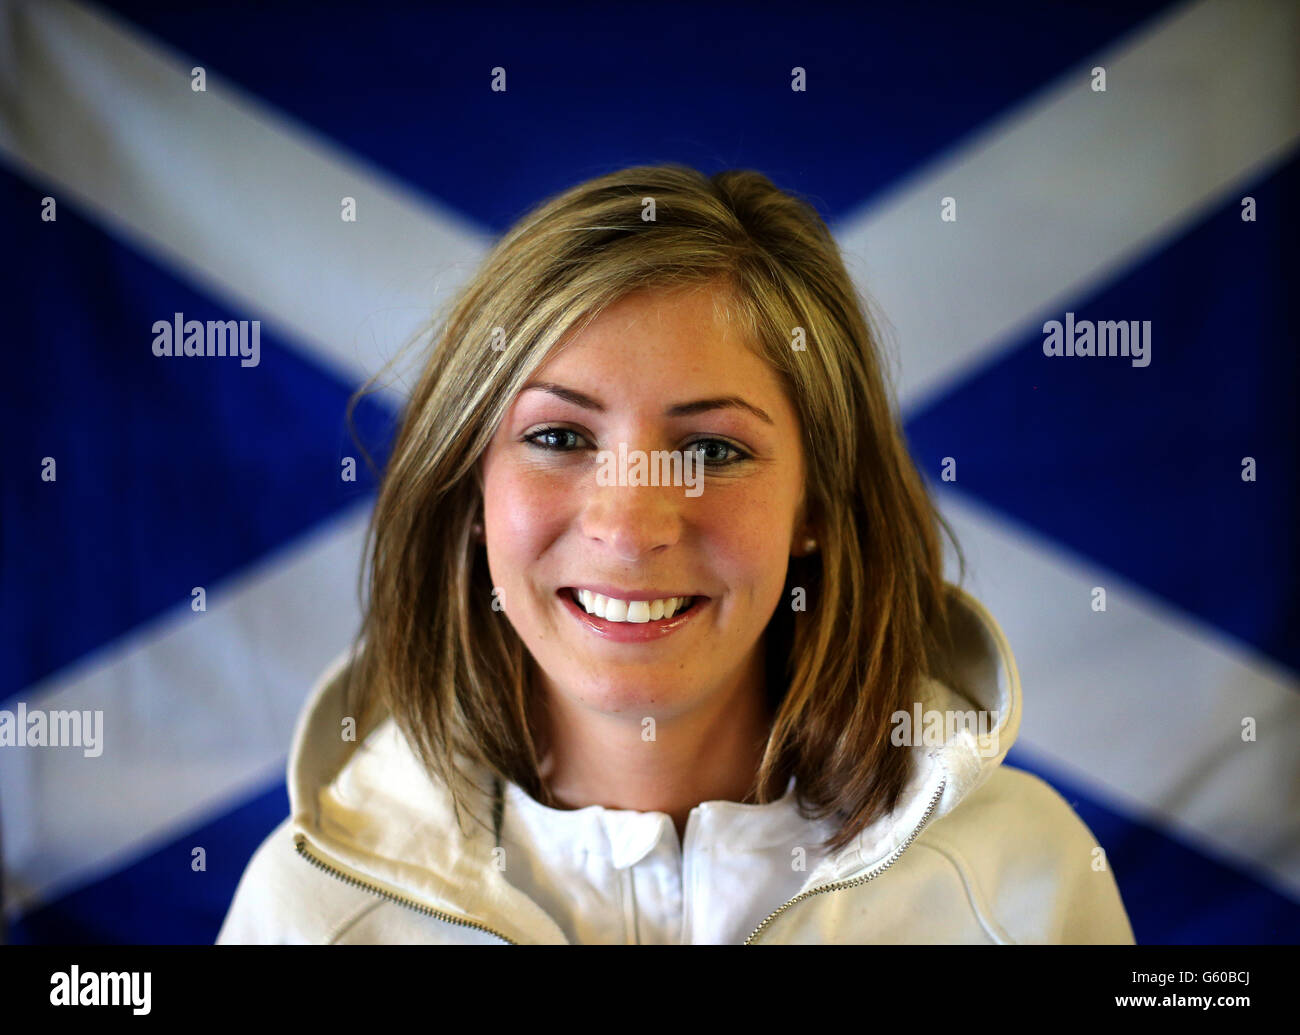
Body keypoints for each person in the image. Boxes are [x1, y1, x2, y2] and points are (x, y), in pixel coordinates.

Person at [217, 163, 1134, 945]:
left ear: (817, 502)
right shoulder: (309, 913)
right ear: (470, 489)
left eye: (713, 451)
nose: (629, 526)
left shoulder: (1030, 884)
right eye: (561, 438)